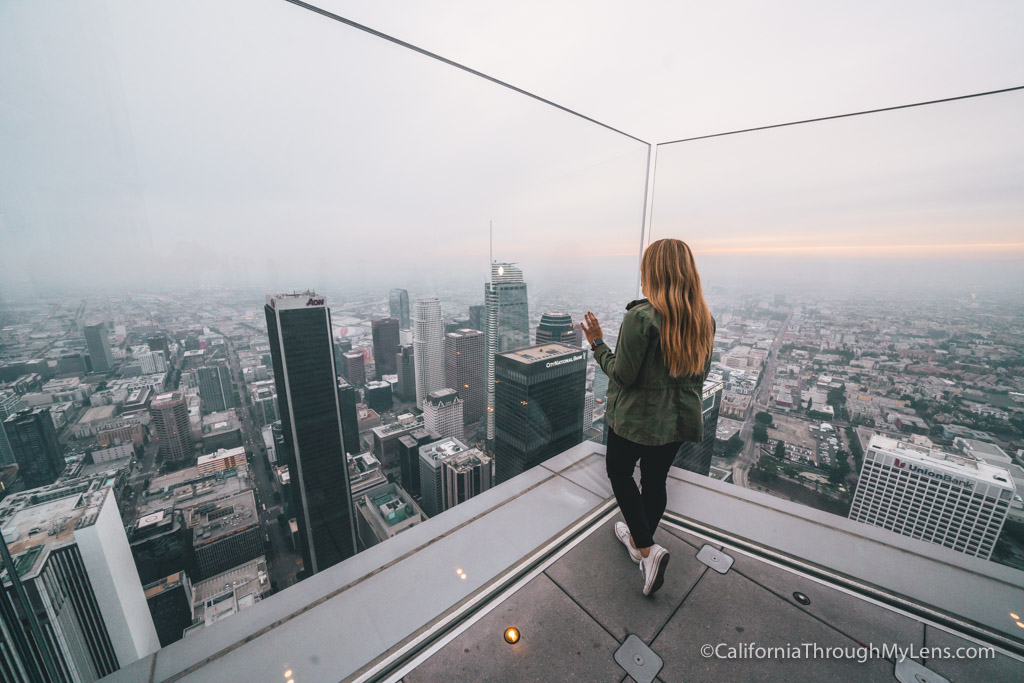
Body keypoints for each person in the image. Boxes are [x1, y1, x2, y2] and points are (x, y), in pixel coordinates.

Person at [581, 238, 715, 597]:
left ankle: (646, 547)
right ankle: (641, 546)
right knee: (655, 483)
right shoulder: (703, 318)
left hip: (637, 420)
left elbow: (623, 375)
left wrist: (597, 343)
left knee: (620, 473)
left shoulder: (641, 317)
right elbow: (699, 375)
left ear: (653, 272)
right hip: (677, 422)